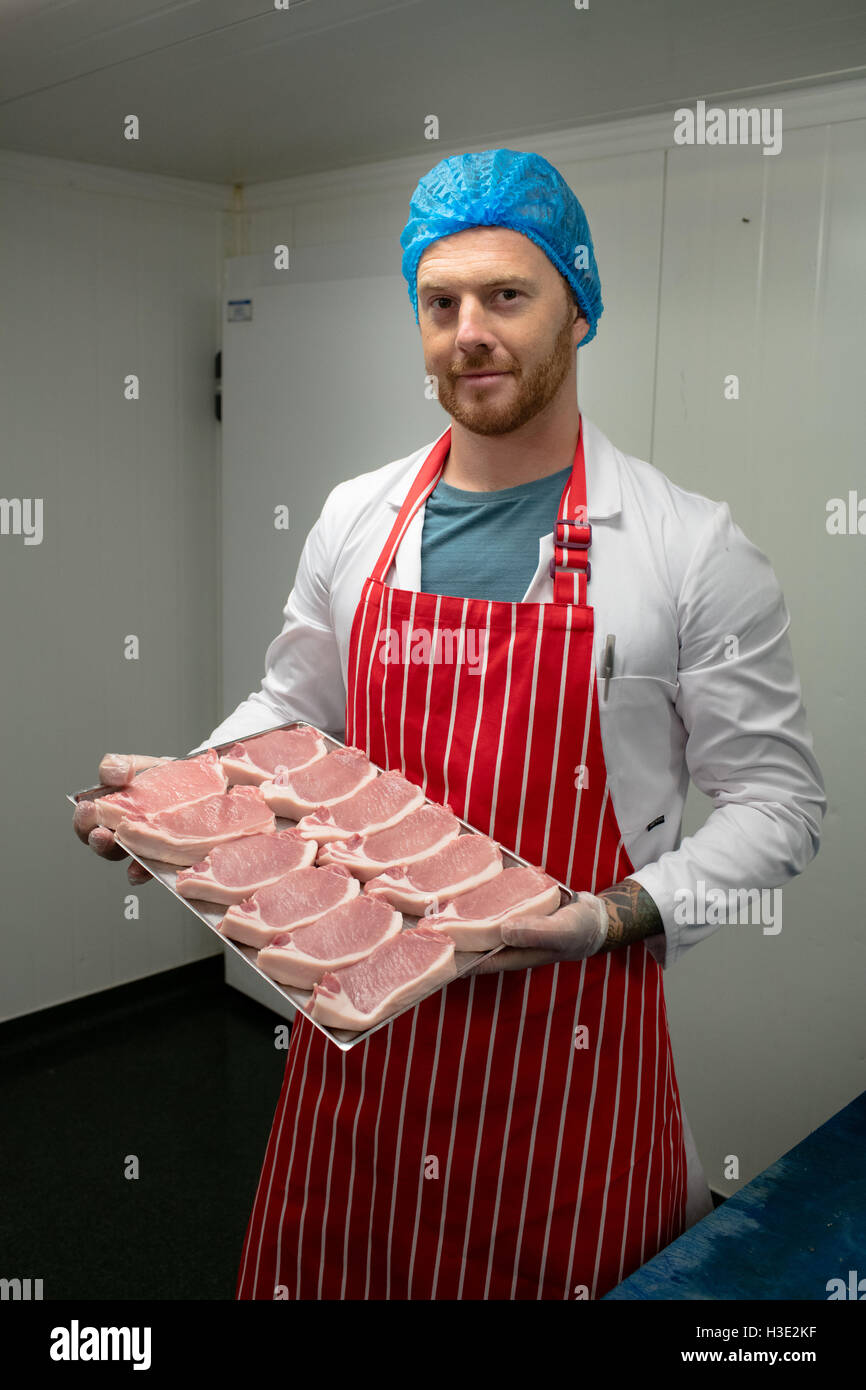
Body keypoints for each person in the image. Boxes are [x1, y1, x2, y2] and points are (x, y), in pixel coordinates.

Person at [74, 148, 826, 1301]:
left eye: (505, 296)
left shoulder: (687, 548)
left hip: (571, 1055)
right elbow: (292, 707)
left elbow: (781, 810)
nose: (467, 330)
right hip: (361, 1048)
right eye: (439, 303)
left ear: (578, 307)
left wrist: (607, 916)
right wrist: (188, 792)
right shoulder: (356, 517)